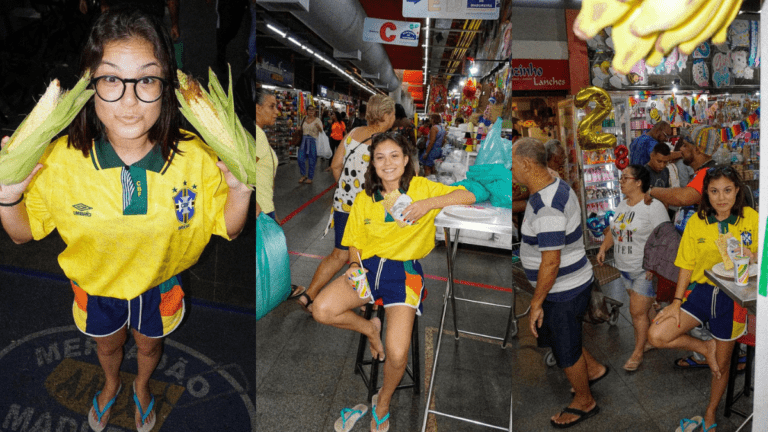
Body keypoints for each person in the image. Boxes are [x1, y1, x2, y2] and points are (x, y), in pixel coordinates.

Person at [0, 9, 252, 432]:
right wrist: (7, 198)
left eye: (147, 80)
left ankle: (144, 386)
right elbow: (22, 235)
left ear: (166, 85)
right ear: (89, 86)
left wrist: (241, 188)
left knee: (150, 349)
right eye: (112, 80)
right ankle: (112, 382)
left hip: (160, 286)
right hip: (96, 288)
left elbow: (229, 228)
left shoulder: (199, 157)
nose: (130, 101)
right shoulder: (58, 159)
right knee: (108, 348)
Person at [311, 132, 475, 432]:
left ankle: (383, 402)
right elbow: (354, 245)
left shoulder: (422, 187)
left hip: (404, 275)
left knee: (398, 353)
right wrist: (356, 267)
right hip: (368, 270)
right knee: (321, 309)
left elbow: (468, 194)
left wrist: (429, 204)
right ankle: (370, 329)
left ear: (406, 159)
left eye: (394, 156)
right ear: (372, 164)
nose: (388, 163)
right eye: (380, 157)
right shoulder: (364, 198)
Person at [648, 166, 758, 432]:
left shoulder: (751, 218)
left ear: (737, 191)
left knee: (719, 367)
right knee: (657, 335)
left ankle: (710, 413)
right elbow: (686, 264)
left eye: (728, 190)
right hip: (702, 292)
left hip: (733, 299)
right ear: (705, 194)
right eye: (714, 191)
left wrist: (753, 256)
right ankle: (704, 348)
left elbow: (761, 256)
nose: (721, 198)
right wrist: (676, 301)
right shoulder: (697, 221)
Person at [512, 137, 606, 428]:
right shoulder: (553, 184)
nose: (511, 171)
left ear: (527, 164)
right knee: (563, 335)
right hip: (572, 282)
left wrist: (537, 302)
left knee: (566, 350)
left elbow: (550, 262)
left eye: (513, 164)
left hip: (562, 289)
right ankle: (593, 369)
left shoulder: (548, 205)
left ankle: (584, 401)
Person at [293, 94, 395, 312]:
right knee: (367, 255)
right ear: (386, 115)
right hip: (369, 211)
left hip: (344, 205)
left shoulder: (353, 134)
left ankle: (309, 295)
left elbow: (336, 164)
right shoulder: (385, 143)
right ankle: (365, 301)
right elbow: (388, 180)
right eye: (393, 113)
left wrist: (347, 189)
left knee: (339, 253)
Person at [596, 165, 669, 372]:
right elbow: (614, 229)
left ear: (638, 182)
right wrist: (603, 247)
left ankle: (638, 351)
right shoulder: (623, 204)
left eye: (625, 178)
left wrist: (655, 266)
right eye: (620, 178)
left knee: (636, 312)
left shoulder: (653, 206)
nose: (621, 181)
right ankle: (654, 337)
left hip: (644, 270)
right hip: (624, 268)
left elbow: (665, 239)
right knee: (642, 311)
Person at [297, 105, 323, 184]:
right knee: (300, 158)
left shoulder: (317, 120)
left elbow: (322, 131)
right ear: (307, 111)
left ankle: (310, 177)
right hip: (303, 140)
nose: (311, 111)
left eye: (312, 110)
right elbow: (302, 128)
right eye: (309, 110)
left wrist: (319, 127)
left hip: (312, 140)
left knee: (312, 160)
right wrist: (298, 128)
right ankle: (303, 175)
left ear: (315, 111)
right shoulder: (304, 119)